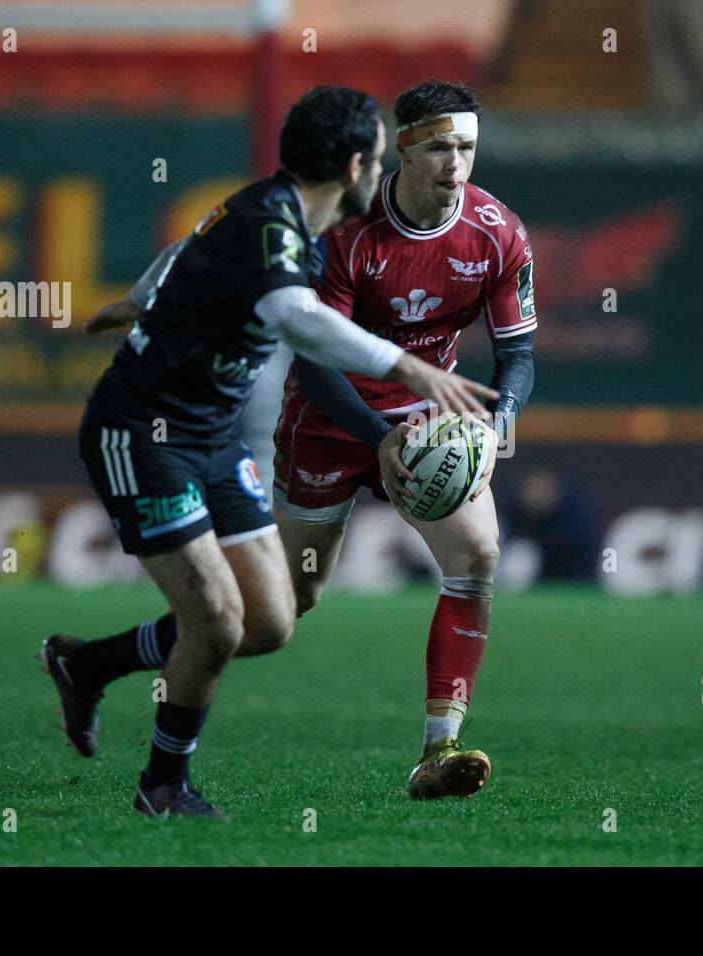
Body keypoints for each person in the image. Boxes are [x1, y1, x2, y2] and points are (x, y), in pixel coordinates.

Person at [38, 85, 497, 819]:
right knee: (217, 621)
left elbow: (191, 246)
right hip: (142, 434)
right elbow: (293, 316)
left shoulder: (280, 213)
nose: (382, 173)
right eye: (377, 159)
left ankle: (87, 663)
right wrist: (406, 367)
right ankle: (163, 785)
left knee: (270, 621)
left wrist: (140, 296)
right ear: (353, 165)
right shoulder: (273, 227)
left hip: (213, 440)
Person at [271, 79, 537, 799]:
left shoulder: (498, 234)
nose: (458, 163)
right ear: (406, 149)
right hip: (330, 425)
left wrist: (495, 429)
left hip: (427, 431)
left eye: (469, 148)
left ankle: (437, 749)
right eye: (442, 147)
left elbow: (517, 356)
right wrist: (375, 437)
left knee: (478, 552)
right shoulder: (348, 233)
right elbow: (316, 360)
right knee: (281, 609)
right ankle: (112, 659)